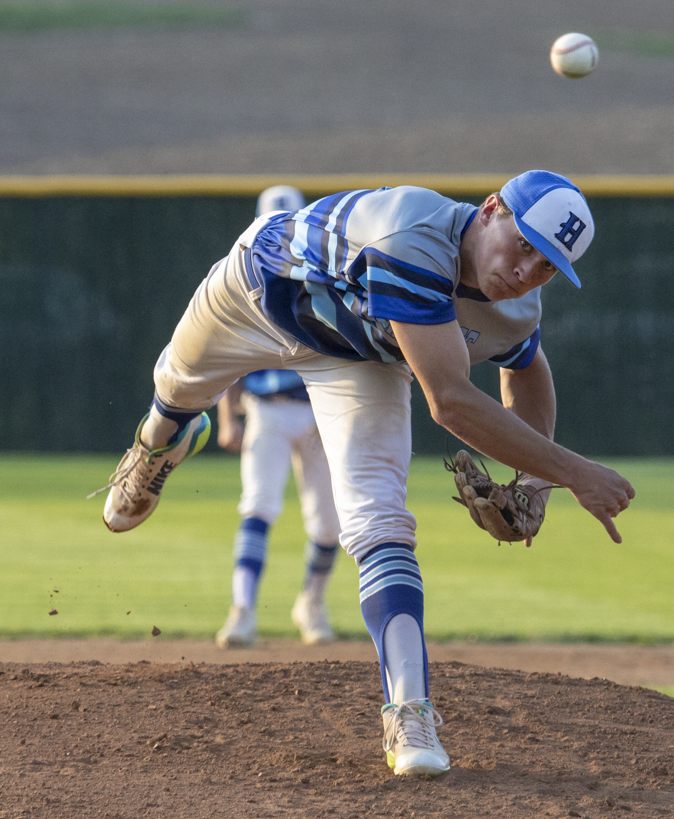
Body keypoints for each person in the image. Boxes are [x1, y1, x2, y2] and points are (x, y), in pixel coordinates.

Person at [94, 170, 636, 777]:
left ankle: (410, 713)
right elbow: (450, 402)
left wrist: (533, 483)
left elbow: (527, 367)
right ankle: (156, 449)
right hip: (257, 290)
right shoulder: (414, 238)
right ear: (491, 210)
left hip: (354, 358)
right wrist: (574, 472)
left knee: (381, 519)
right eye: (525, 244)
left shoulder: (515, 304)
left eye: (548, 266)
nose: (526, 270)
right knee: (175, 388)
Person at [213, 185, 343, 649]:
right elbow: (227, 355)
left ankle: (312, 602)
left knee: (329, 524)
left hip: (320, 411)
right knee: (258, 506)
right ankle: (242, 611)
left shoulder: (326, 276)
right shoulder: (239, 278)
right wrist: (228, 417)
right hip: (266, 409)